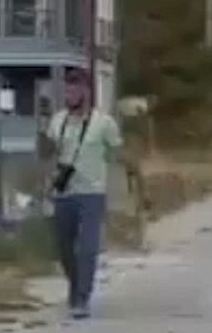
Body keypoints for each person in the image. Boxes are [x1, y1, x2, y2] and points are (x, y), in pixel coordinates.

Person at [39, 68, 138, 320]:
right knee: (64, 248)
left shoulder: (103, 123)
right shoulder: (58, 121)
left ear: (86, 92)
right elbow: (47, 155)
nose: (70, 95)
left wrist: (134, 175)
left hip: (92, 193)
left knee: (87, 248)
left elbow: (118, 152)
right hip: (64, 193)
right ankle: (75, 287)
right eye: (67, 91)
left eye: (75, 90)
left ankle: (82, 297)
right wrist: (42, 135)